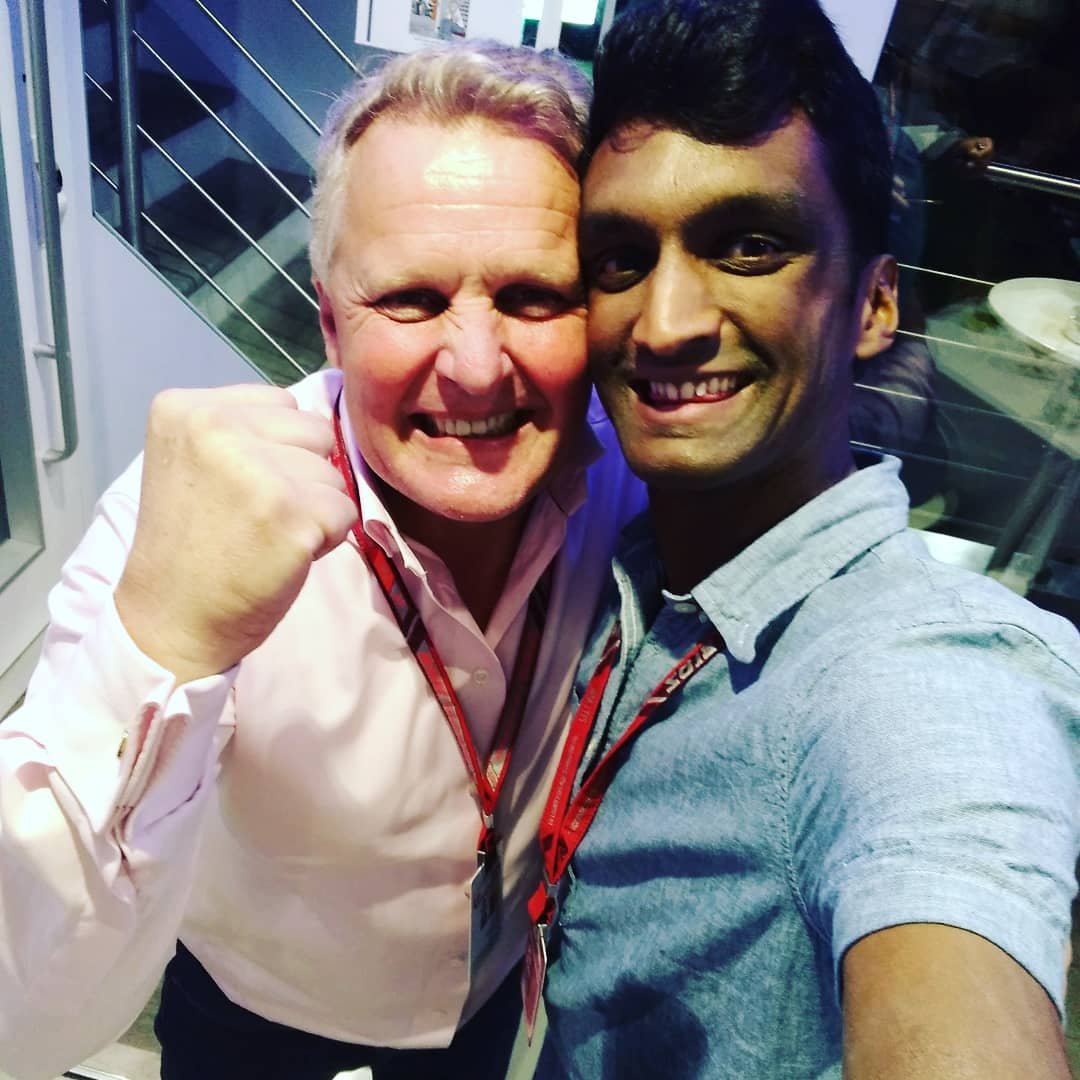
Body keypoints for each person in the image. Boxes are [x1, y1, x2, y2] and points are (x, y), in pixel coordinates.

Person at [0, 41, 643, 1080]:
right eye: (412, 300)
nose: (477, 366)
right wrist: (165, 636)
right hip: (251, 1005)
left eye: (535, 295)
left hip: (484, 998)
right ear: (331, 325)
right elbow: (19, 1019)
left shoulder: (632, 488)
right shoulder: (189, 518)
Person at [531, 1, 1080, 1076]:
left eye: (751, 245)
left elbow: (944, 867)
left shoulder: (916, 681)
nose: (666, 322)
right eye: (621, 258)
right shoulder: (629, 547)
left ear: (875, 305)